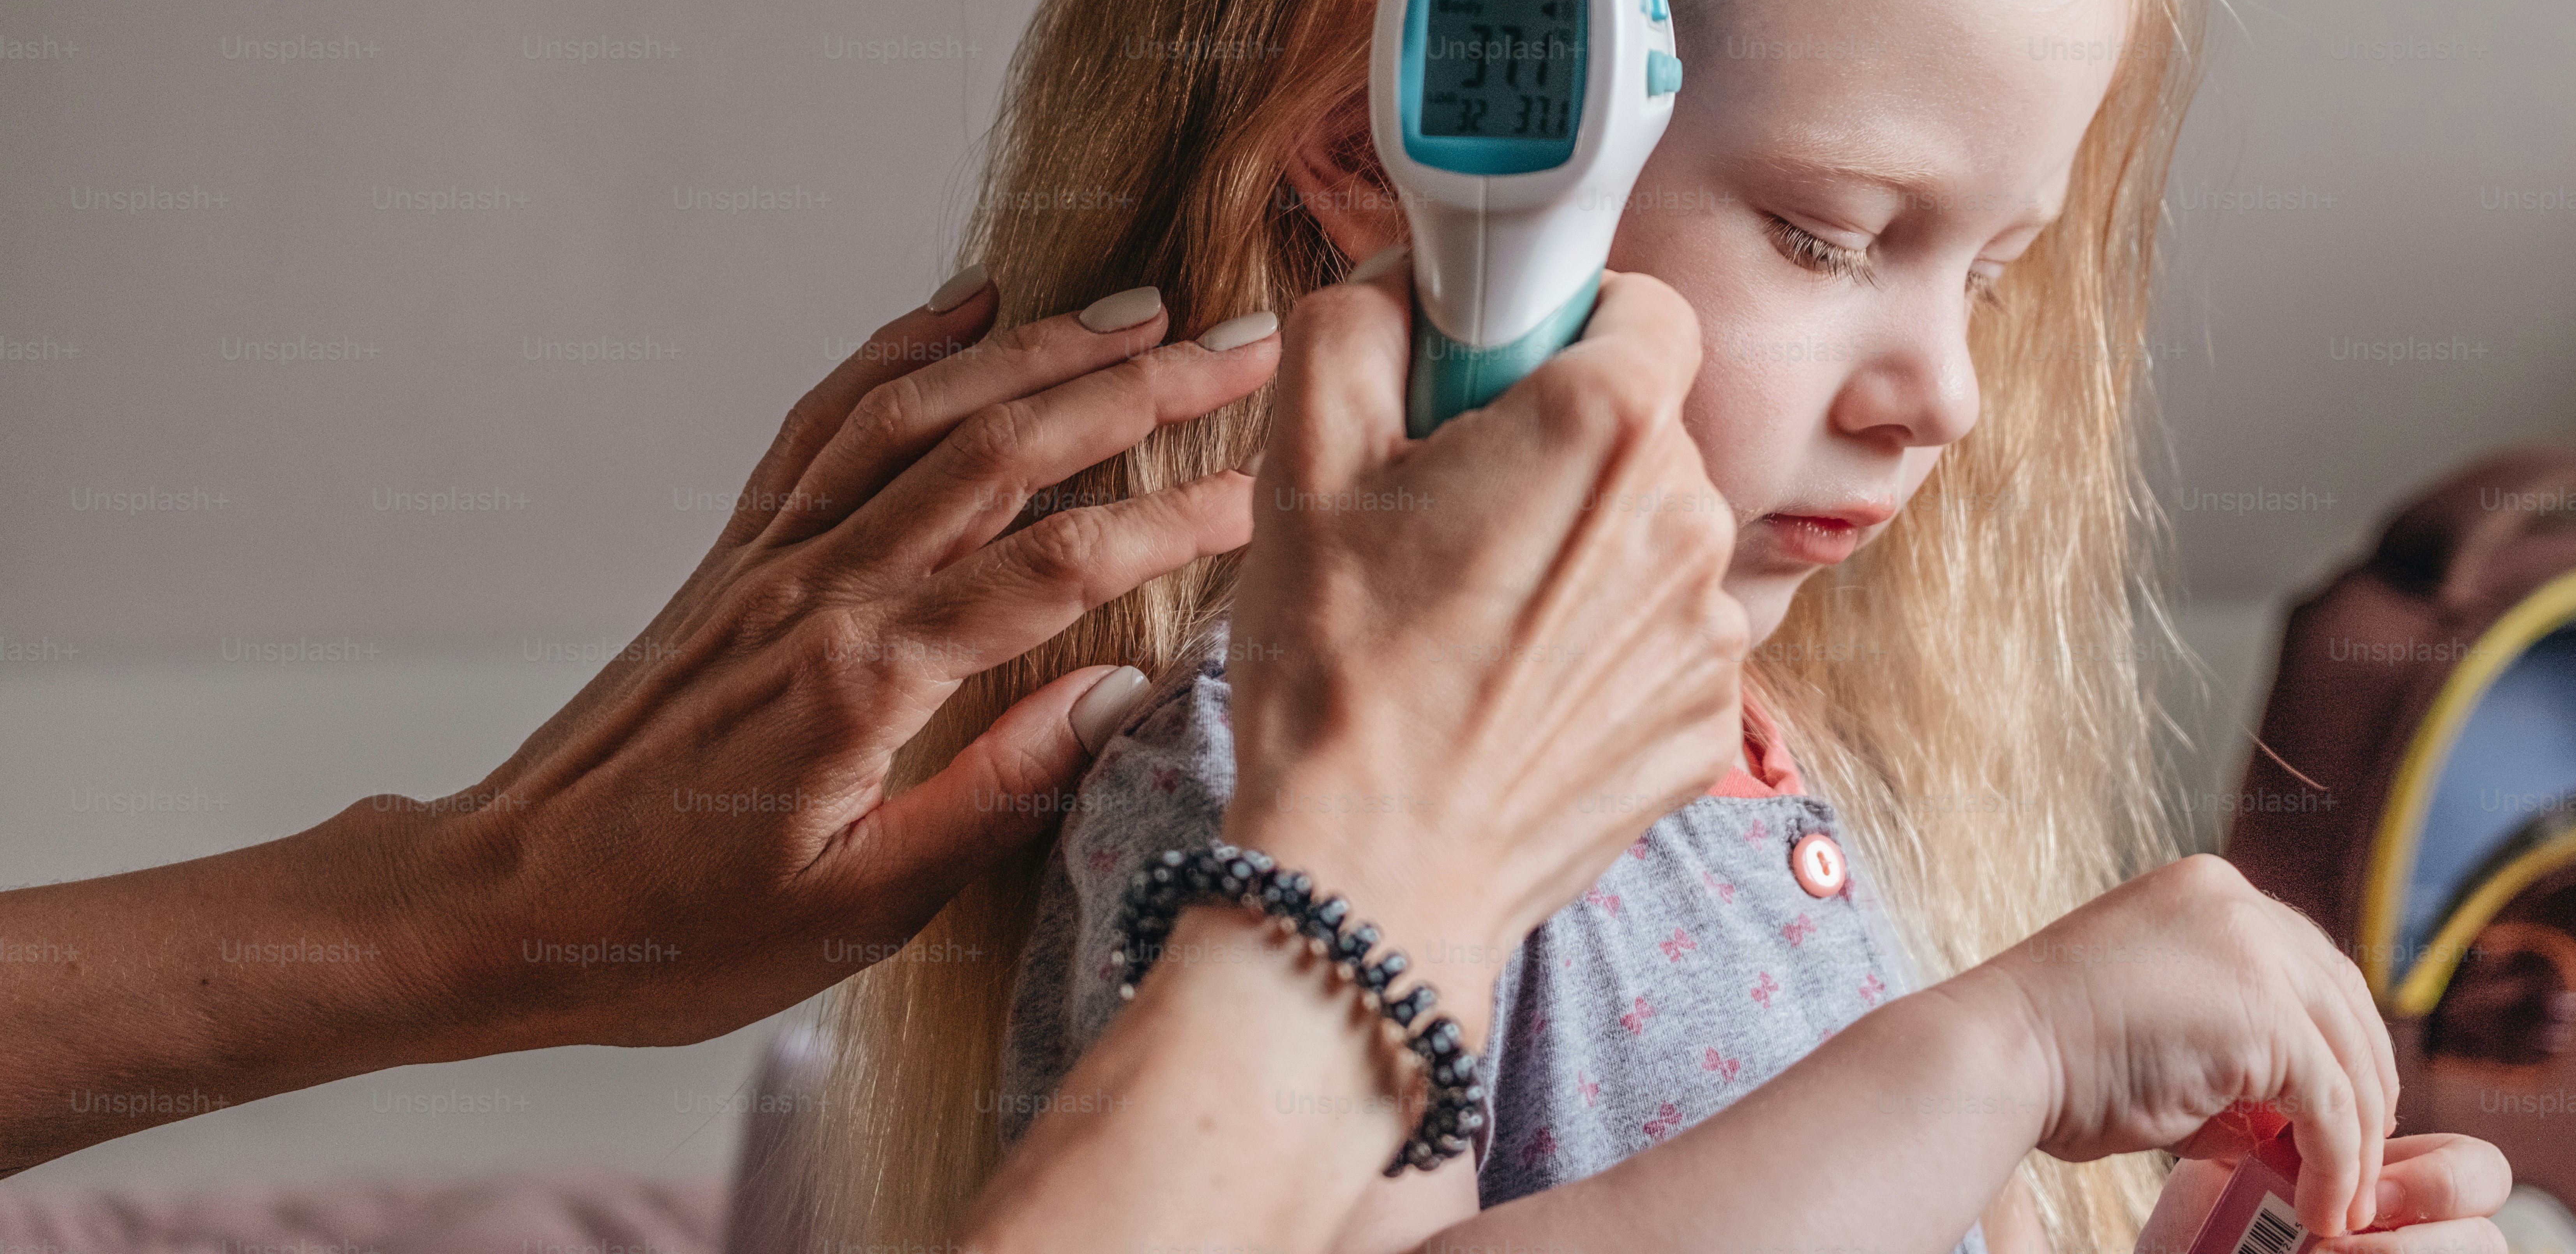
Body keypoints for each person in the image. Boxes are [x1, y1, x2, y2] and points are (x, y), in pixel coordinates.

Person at [806, 0, 2513, 1254]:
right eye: (1826, 234)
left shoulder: (1765, 775)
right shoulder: (1280, 798)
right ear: (1395, 138)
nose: (1941, 390)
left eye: (1992, 272)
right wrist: (2001, 1050)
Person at [0, 257, 1750, 1235]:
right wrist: (1372, 875)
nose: (1943, 395)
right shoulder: (1196, 777)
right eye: (1824, 231)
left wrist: (471, 908)